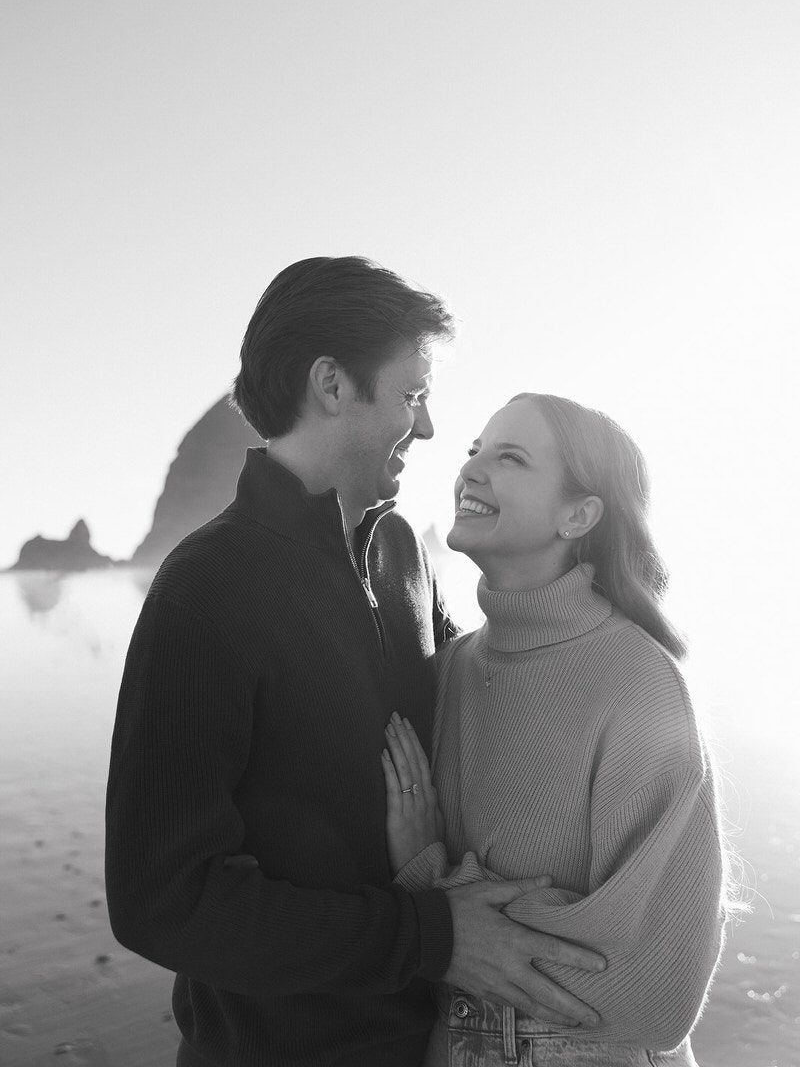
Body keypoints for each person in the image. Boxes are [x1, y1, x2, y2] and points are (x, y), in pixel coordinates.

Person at [105, 261, 606, 1067]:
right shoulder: (204, 590)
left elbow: (479, 707)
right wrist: (430, 937)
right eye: (413, 395)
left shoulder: (402, 551)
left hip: (432, 1041)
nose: (433, 427)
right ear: (332, 385)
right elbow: (161, 903)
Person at [381, 393, 727, 1067]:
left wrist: (432, 889)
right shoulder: (447, 672)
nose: (471, 470)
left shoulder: (638, 680)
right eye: (473, 451)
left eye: (509, 457)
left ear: (580, 514)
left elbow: (657, 992)